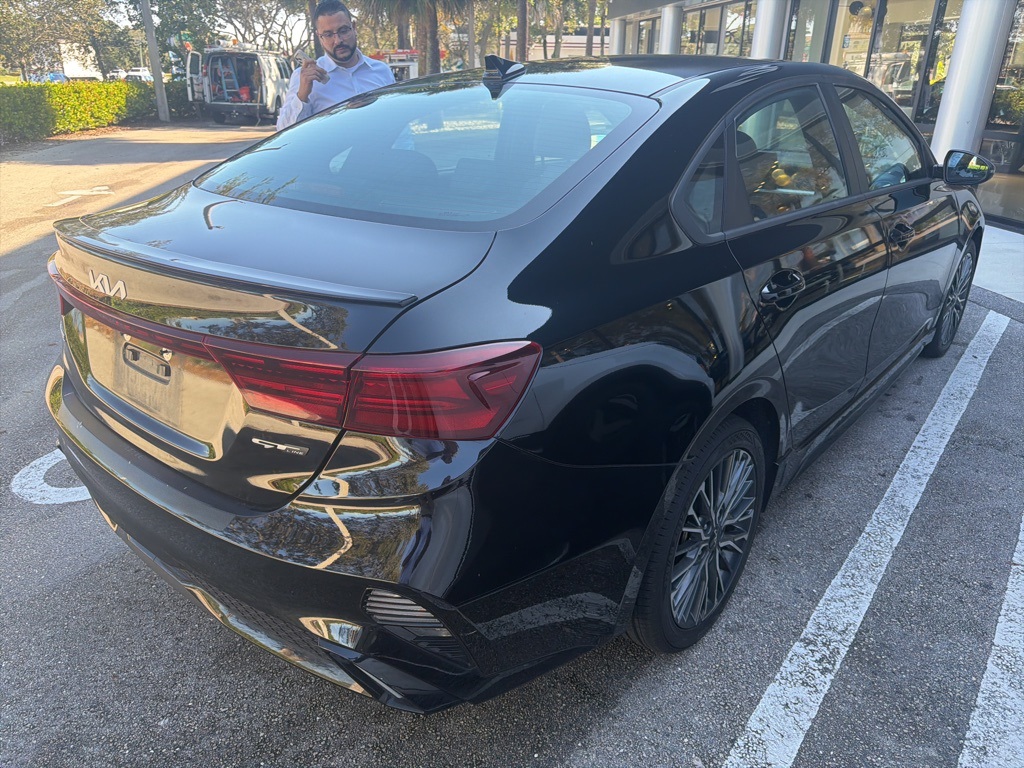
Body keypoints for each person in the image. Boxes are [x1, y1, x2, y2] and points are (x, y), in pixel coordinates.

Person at [276, 0, 395, 131]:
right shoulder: (304, 78)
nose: (338, 40)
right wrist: (302, 95)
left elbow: (396, 122)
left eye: (343, 31)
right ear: (319, 37)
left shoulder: (382, 71)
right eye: (328, 35)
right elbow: (283, 131)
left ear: (354, 27)